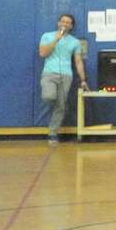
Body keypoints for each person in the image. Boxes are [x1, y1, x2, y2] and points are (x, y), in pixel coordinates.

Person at [37, 13, 88, 143]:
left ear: (71, 26)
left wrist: (83, 79)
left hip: (66, 75)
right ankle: (52, 104)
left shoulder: (75, 42)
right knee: (49, 96)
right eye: (63, 21)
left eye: (68, 23)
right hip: (49, 73)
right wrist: (56, 39)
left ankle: (53, 133)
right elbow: (43, 53)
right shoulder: (47, 36)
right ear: (58, 23)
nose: (65, 24)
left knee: (61, 105)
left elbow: (78, 61)